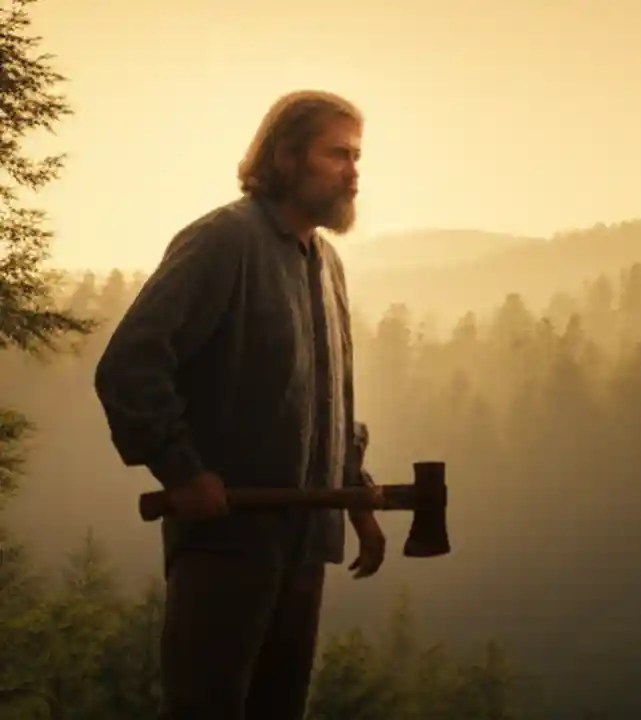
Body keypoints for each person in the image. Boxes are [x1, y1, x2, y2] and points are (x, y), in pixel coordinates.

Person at [94, 90, 386, 719]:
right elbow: (131, 366)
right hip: (227, 548)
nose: (353, 172)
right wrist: (182, 469)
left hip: (304, 545)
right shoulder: (223, 242)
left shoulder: (325, 263)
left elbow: (333, 395)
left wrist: (352, 490)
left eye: (357, 156)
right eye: (338, 154)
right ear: (285, 156)